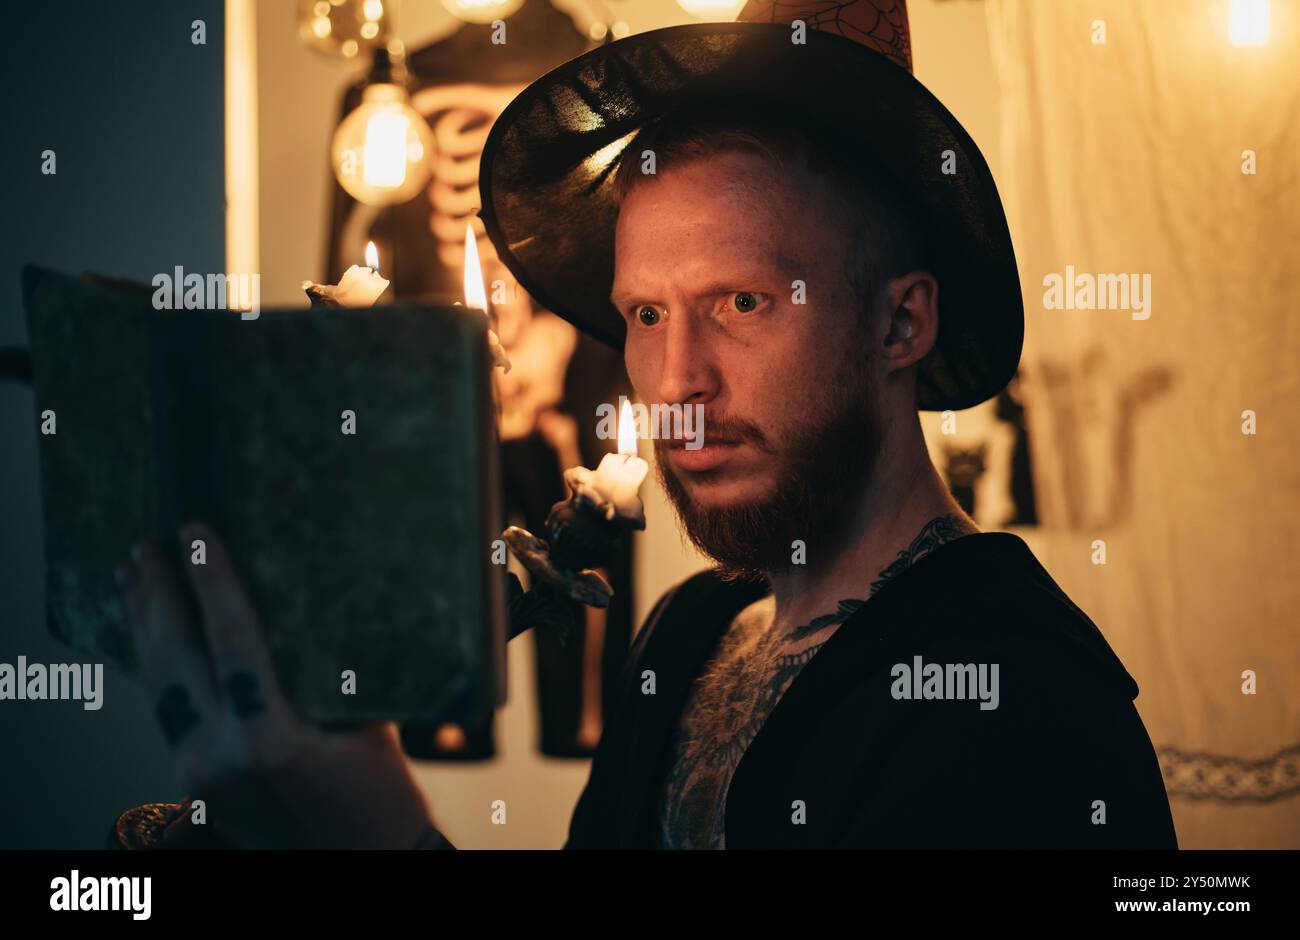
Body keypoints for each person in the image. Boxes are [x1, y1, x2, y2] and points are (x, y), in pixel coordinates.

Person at [115, 0, 1177, 849]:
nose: (677, 378)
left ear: (900, 320)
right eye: (645, 314)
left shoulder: (1019, 700)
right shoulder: (688, 634)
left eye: (744, 302)